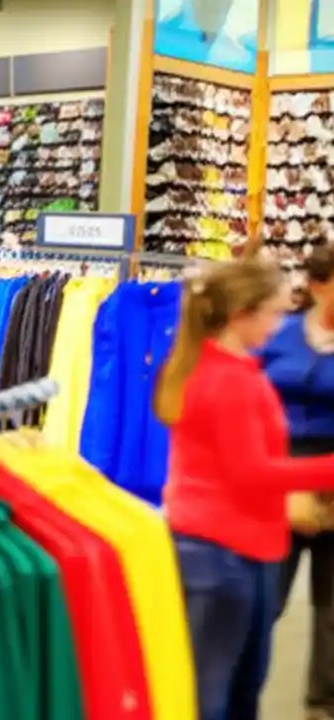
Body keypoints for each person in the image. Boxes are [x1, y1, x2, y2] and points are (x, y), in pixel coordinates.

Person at [156, 257, 334, 720]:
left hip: (230, 544)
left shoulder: (217, 367)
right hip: (222, 550)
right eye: (273, 313)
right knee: (215, 691)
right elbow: (251, 473)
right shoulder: (229, 381)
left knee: (233, 683)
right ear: (241, 314)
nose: (279, 326)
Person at [262, 246, 334, 720]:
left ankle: (323, 701)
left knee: (333, 604)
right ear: (319, 284)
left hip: (332, 467)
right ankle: (234, 686)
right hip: (277, 469)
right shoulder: (282, 333)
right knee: (266, 594)